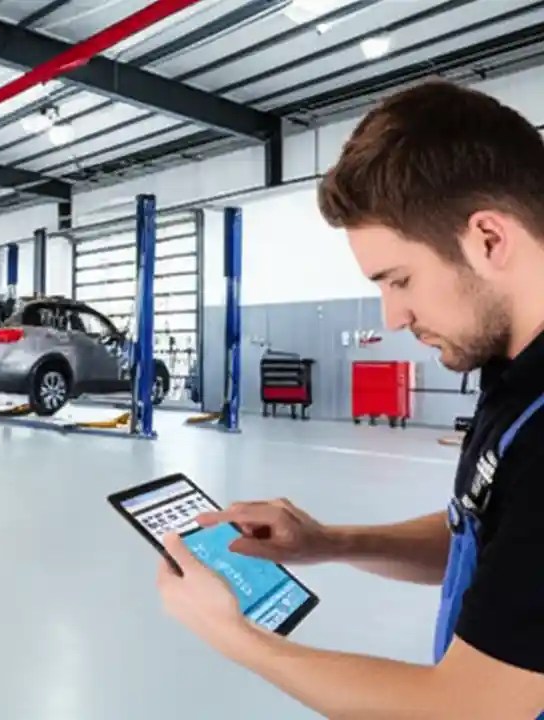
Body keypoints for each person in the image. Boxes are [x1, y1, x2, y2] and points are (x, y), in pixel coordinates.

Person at [157, 80, 544, 717]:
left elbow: (470, 710)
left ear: (490, 240)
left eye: (400, 279)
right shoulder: (514, 372)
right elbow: (500, 540)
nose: (393, 315)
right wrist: (331, 542)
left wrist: (237, 638)